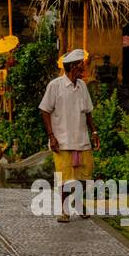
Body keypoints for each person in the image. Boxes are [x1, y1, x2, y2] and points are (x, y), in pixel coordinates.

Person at [39, 49, 98, 222]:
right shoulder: (55, 86)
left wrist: (94, 132)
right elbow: (45, 110)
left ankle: (78, 202)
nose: (83, 68)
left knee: (85, 176)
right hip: (62, 141)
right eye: (81, 65)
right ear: (72, 67)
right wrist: (51, 135)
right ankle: (65, 210)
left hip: (82, 140)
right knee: (65, 178)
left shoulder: (82, 86)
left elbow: (88, 112)